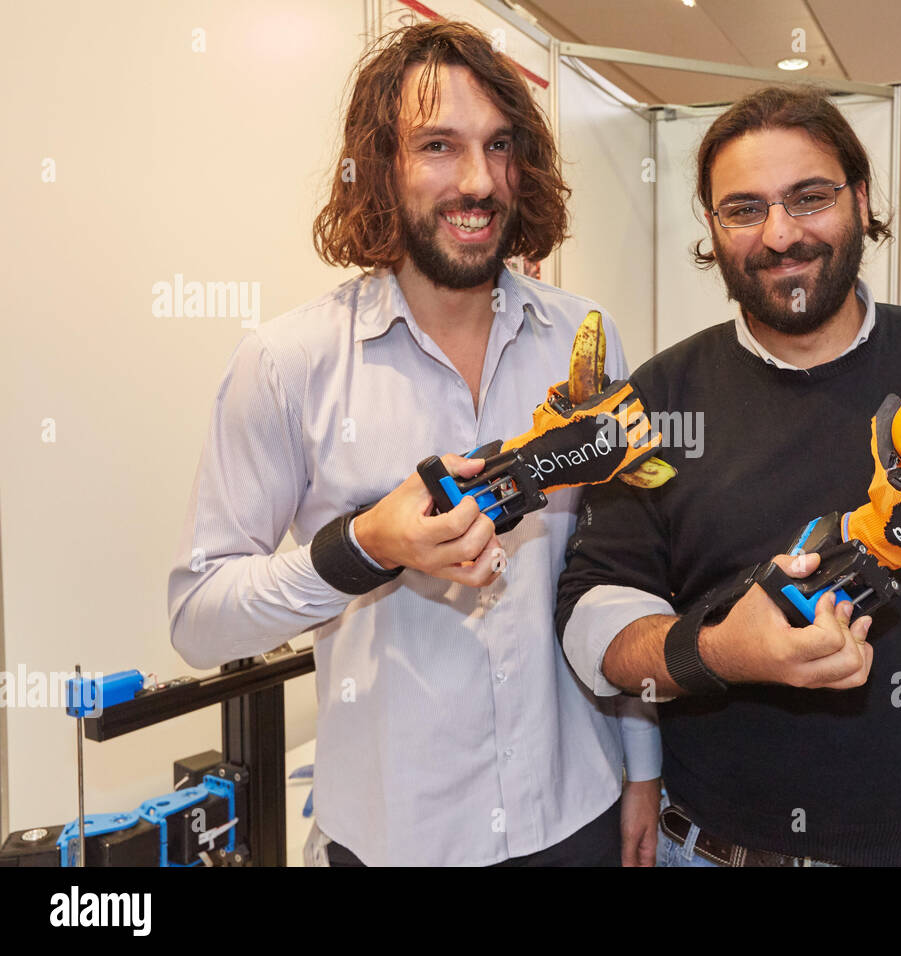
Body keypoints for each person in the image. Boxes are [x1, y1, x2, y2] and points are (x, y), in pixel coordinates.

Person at [555, 86, 901, 867]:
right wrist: (719, 651)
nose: (780, 235)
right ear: (712, 229)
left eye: (809, 198)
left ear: (859, 198)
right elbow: (591, 613)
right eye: (743, 209)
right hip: (718, 848)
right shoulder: (659, 397)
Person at [167, 20, 660, 867]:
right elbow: (197, 617)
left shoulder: (586, 337)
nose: (478, 181)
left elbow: (618, 568)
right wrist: (361, 547)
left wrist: (643, 766)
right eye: (438, 145)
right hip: (399, 838)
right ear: (380, 166)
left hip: (575, 807)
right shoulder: (288, 366)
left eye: (499, 145)